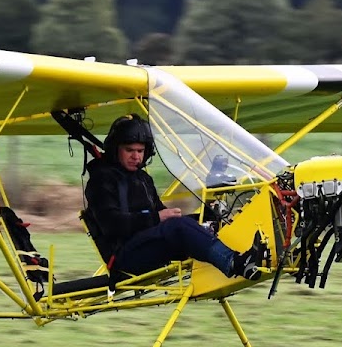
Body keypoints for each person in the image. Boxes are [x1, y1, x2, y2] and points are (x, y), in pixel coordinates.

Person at [83, 114, 261, 281]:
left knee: (203, 222)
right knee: (179, 227)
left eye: (140, 151)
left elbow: (160, 219)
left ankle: (256, 254)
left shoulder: (143, 179)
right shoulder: (101, 180)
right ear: (116, 150)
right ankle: (234, 263)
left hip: (148, 245)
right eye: (129, 150)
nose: (136, 156)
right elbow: (112, 226)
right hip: (124, 258)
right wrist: (157, 217)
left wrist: (202, 217)